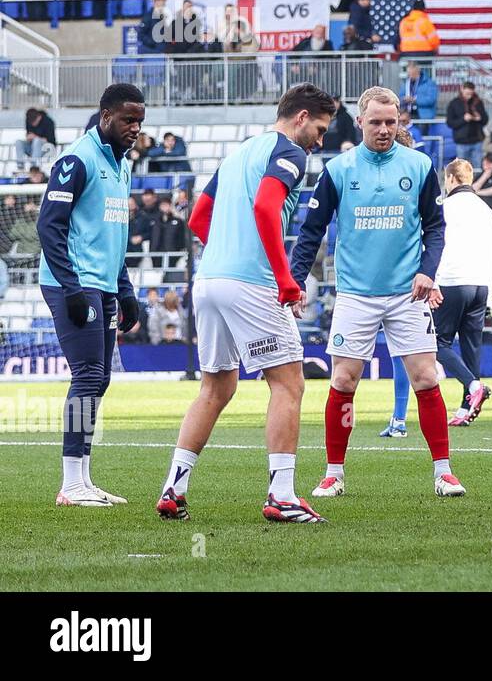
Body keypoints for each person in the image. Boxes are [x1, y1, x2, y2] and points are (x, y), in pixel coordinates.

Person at [157, 84, 336, 523]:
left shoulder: (237, 154)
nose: (320, 139)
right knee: (288, 383)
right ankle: (281, 495)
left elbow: (199, 219)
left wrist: (224, 251)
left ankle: (173, 489)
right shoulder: (290, 153)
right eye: (319, 127)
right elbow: (265, 208)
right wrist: (285, 280)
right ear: (300, 117)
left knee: (216, 388)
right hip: (251, 283)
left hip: (209, 280)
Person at [287, 87, 461, 499]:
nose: (384, 130)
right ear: (361, 121)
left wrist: (427, 272)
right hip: (355, 295)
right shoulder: (339, 169)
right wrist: (294, 282)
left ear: (400, 121)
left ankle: (444, 471)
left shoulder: (419, 166)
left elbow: (436, 227)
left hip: (408, 294)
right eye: (376, 122)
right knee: (344, 381)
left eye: (391, 122)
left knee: (425, 378)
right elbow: (311, 232)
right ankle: (333, 473)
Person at [36, 84, 145, 507]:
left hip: (102, 285)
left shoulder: (122, 165)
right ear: (105, 117)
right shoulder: (76, 159)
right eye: (127, 119)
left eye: (139, 121)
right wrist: (71, 286)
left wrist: (126, 290)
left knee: (100, 377)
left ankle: (83, 478)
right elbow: (50, 225)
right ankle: (70, 484)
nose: (135, 128)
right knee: (86, 374)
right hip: (73, 284)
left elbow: (112, 235)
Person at [435, 159, 492, 425]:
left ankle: (473, 387)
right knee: (472, 346)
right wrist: (490, 290)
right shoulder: (487, 211)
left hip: (451, 279)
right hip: (480, 283)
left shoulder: (445, 208)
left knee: (437, 343)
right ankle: (465, 409)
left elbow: (437, 244)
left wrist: (433, 280)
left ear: (450, 179)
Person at [445, 80, 486, 168]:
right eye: (467, 93)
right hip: (462, 142)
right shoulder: (454, 103)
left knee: (477, 168)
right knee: (462, 170)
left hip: (477, 141)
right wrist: (463, 119)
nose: (469, 96)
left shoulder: (478, 102)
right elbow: (450, 123)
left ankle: (477, 182)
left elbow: (485, 120)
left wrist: (480, 118)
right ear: (462, 89)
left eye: (471, 94)